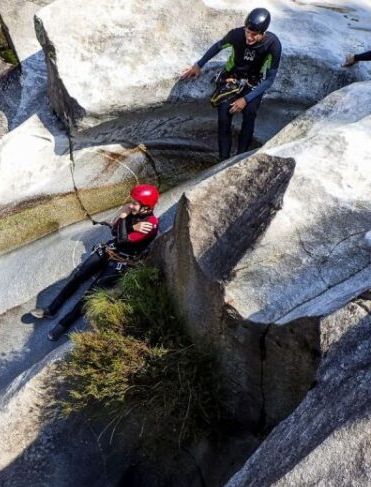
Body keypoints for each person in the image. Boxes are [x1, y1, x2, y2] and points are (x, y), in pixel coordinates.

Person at [32, 184, 160, 341]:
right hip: (111, 249)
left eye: (135, 203)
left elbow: (123, 239)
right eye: (132, 201)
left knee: (90, 293)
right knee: (79, 276)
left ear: (146, 208)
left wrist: (124, 219)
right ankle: (51, 310)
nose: (131, 205)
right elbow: (114, 230)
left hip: (124, 259)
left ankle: (63, 325)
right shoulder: (131, 212)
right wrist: (126, 220)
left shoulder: (150, 224)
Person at [180, 8, 282, 160]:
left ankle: (240, 158)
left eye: (254, 34)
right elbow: (217, 46)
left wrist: (245, 100)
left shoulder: (273, 44)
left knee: (249, 114)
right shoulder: (236, 35)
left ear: (264, 33)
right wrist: (199, 65)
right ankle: (223, 160)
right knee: (224, 116)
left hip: (253, 83)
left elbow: (269, 80)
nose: (249, 37)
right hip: (231, 77)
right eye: (248, 32)